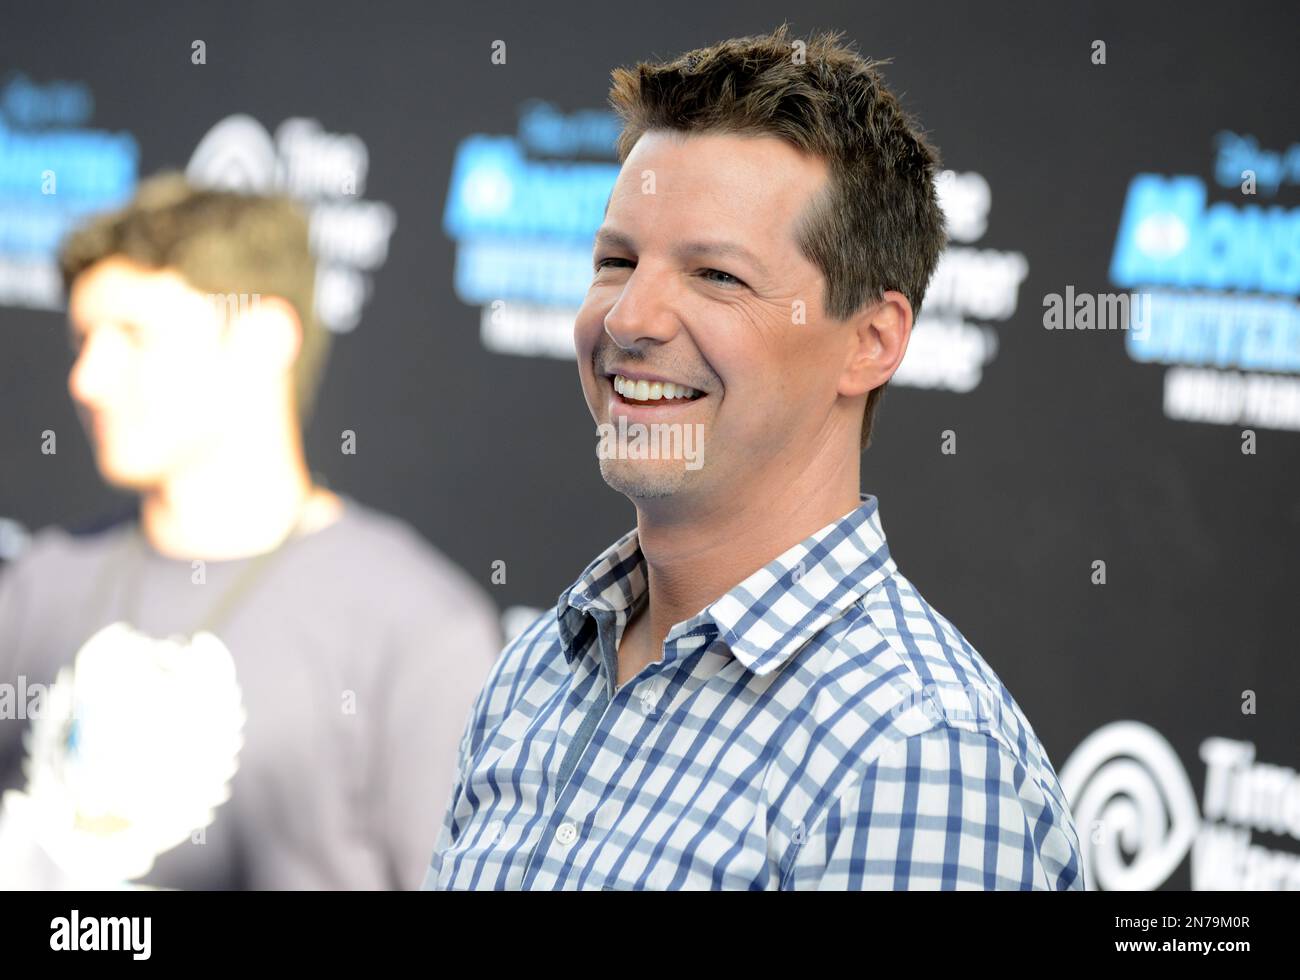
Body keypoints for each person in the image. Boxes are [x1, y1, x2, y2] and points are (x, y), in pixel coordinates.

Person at [424, 24, 1084, 890]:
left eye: (718, 277)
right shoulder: (538, 672)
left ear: (872, 342)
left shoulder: (915, 757)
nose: (629, 319)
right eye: (617, 260)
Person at [0, 174, 501, 889]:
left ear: (263, 338)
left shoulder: (419, 631)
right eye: (83, 338)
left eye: (134, 335)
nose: (87, 378)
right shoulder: (39, 584)